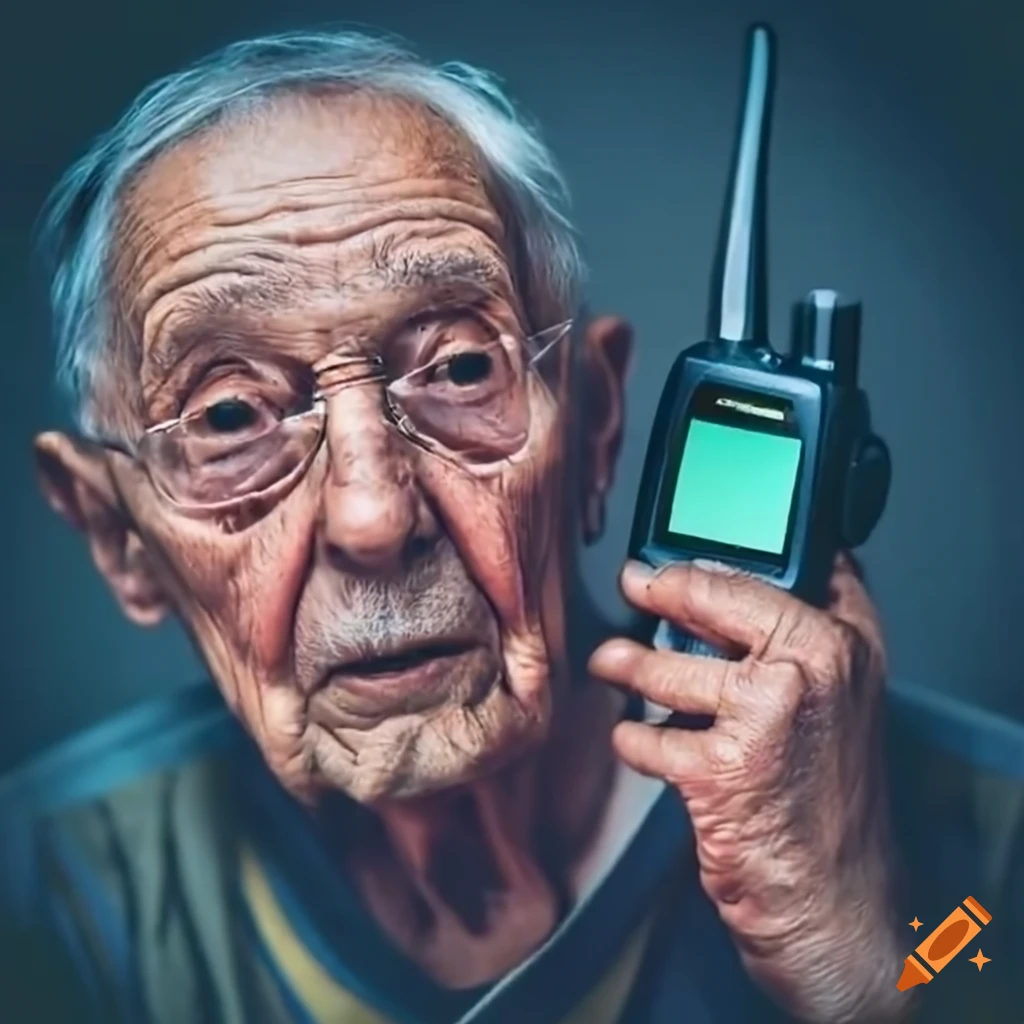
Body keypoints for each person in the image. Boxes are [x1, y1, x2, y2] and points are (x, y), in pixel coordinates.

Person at [1, 29, 1022, 1024]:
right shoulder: (42, 906)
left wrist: (880, 971)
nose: (373, 514)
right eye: (230, 418)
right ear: (117, 534)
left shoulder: (986, 856)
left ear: (597, 428)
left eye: (459, 368)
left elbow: (967, 957)